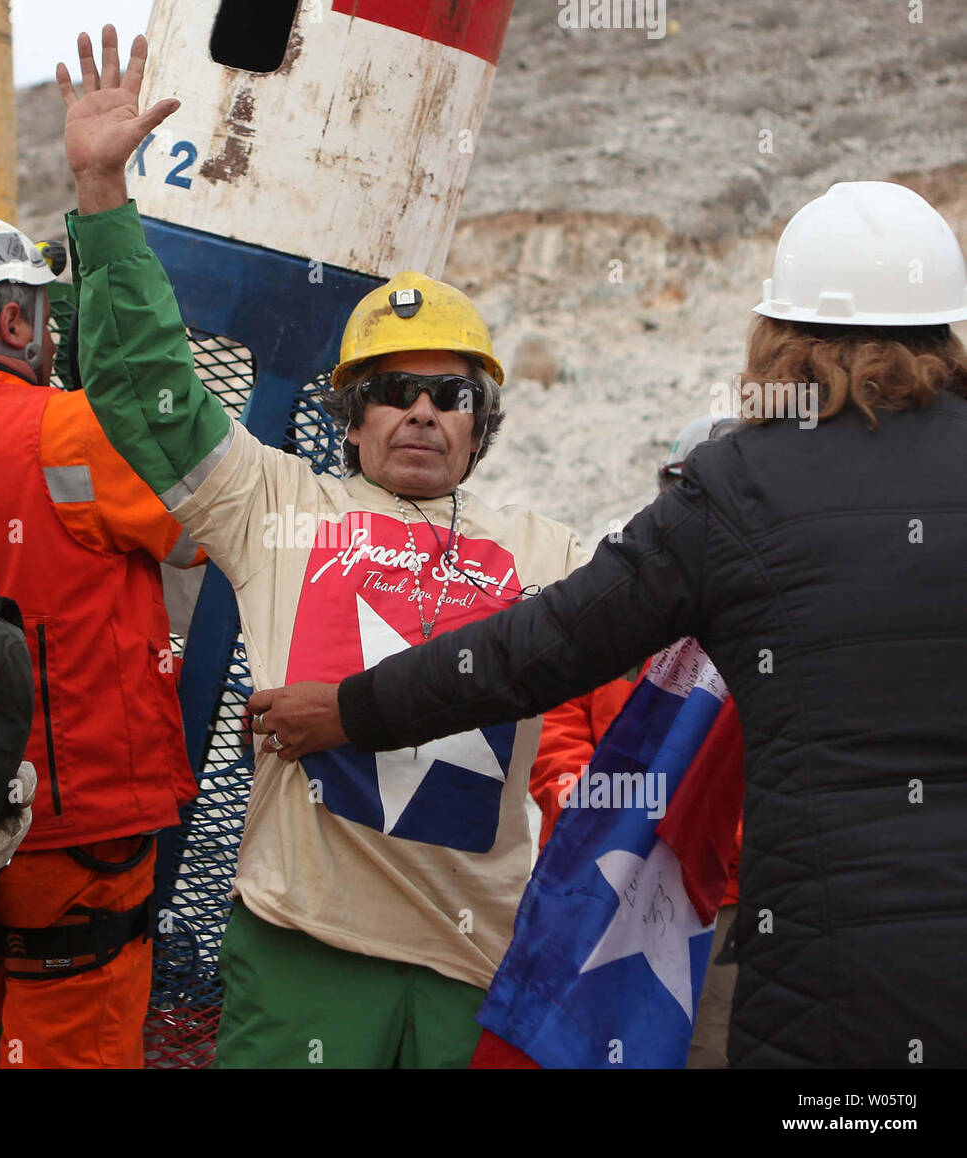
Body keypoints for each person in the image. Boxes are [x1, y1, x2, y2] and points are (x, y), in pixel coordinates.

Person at [252, 181, 967, 1068]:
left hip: (828, 970)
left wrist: (353, 709)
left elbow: (531, 652)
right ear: (946, 328)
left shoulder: (741, 486)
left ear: (781, 335)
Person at [57, 26, 590, 1068]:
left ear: (482, 422)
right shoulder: (273, 504)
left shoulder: (546, 552)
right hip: (303, 948)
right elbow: (144, 391)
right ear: (350, 417)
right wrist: (101, 202)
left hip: (476, 965)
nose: (422, 413)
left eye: (451, 395)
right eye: (392, 393)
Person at [0, 208, 204, 1069]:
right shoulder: (71, 432)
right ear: (14, 322)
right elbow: (196, 529)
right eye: (42, 317)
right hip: (75, 827)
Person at [527, 412, 742, 1068]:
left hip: (718, 897)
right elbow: (557, 714)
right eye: (683, 488)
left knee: (706, 1051)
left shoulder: (784, 607)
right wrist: (588, 811)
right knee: (569, 1047)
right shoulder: (617, 582)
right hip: (596, 879)